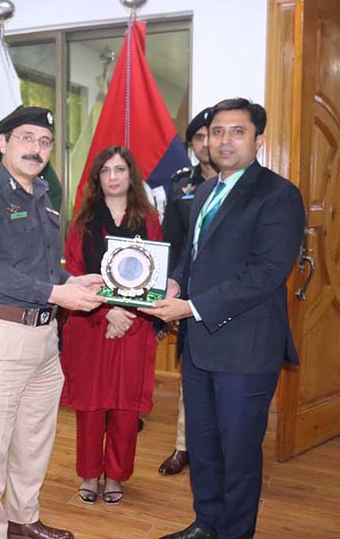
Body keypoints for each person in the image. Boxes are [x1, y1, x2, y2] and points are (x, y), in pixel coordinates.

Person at [141, 98, 305, 539]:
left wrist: (191, 307)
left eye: (237, 131)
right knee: (204, 446)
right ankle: (205, 523)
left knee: (238, 452)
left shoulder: (279, 195)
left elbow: (266, 273)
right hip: (200, 348)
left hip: (246, 349)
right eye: (217, 132)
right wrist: (176, 284)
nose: (224, 140)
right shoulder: (206, 192)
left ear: (258, 140)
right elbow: (192, 258)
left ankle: (234, 533)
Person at [0, 106, 105, 539]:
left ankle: (23, 519)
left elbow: (41, 267)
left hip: (43, 335)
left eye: (44, 142)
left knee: (34, 439)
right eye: (26, 138)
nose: (35, 149)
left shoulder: (42, 195)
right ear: (2, 143)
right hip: (0, 333)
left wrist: (71, 280)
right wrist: (59, 292)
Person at [59, 146, 162, 506]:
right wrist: (107, 311)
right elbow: (72, 272)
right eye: (106, 170)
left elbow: (155, 273)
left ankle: (116, 476)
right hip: (91, 324)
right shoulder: (82, 221)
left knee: (124, 408)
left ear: (131, 176)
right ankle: (89, 473)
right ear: (97, 178)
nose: (114, 177)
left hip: (134, 325)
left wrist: (126, 313)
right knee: (90, 406)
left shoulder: (148, 218)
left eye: (121, 169)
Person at [158, 108, 218, 477]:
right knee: (190, 377)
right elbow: (171, 242)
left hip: (226, 297)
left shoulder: (246, 186)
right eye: (199, 137)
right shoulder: (181, 185)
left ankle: (218, 450)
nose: (207, 143)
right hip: (186, 292)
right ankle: (184, 446)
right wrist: (170, 292)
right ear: (193, 145)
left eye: (211, 135)